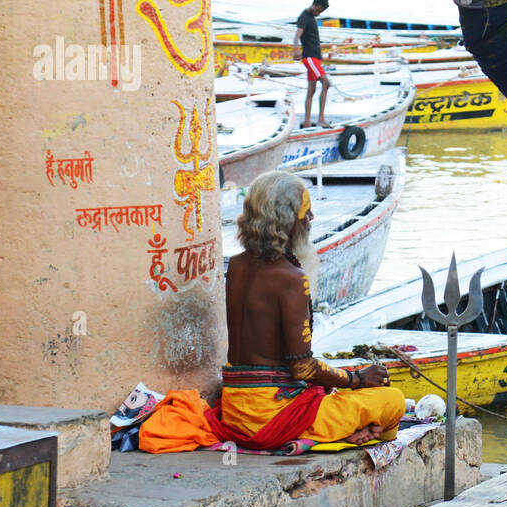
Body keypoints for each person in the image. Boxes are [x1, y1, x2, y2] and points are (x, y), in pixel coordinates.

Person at [139, 171, 405, 452]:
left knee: (332, 394)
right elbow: (302, 366)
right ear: (288, 221)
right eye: (306, 211)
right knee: (393, 400)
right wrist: (357, 378)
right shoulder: (291, 277)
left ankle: (343, 431)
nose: (311, 218)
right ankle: (339, 433)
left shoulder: (238, 265)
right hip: (271, 417)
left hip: (234, 412)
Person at [293, 0, 331, 129]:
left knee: (312, 89)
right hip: (310, 58)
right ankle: (321, 119)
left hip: (314, 58)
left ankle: (307, 123)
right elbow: (297, 35)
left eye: (321, 12)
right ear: (314, 5)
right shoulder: (304, 17)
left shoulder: (311, 17)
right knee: (326, 83)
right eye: (319, 10)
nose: (319, 13)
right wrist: (296, 50)